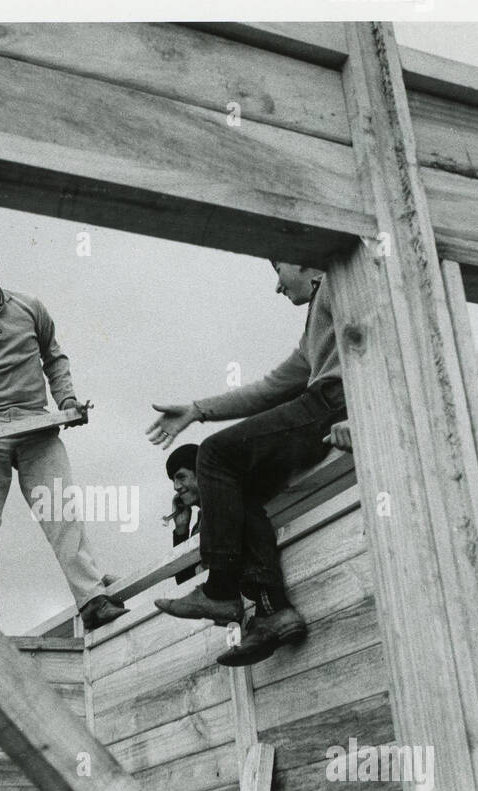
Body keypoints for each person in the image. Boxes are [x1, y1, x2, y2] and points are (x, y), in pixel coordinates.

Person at [146, 261, 352, 666]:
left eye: (280, 269)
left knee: (216, 453)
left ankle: (221, 590)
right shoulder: (315, 327)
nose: (277, 285)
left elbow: (375, 341)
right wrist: (197, 409)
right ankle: (273, 610)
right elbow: (268, 389)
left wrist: (362, 410)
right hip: (323, 405)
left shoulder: (340, 282)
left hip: (331, 403)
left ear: (306, 260)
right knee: (237, 490)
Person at [0, 242, 128, 632]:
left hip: (35, 425)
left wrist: (67, 400)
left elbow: (54, 358)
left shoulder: (30, 308)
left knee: (59, 510)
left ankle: (92, 601)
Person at [165, 443, 201, 586]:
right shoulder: (200, 523)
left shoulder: (222, 510)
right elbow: (187, 584)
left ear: (201, 472)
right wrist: (181, 530)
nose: (176, 486)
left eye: (181, 477)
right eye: (173, 480)